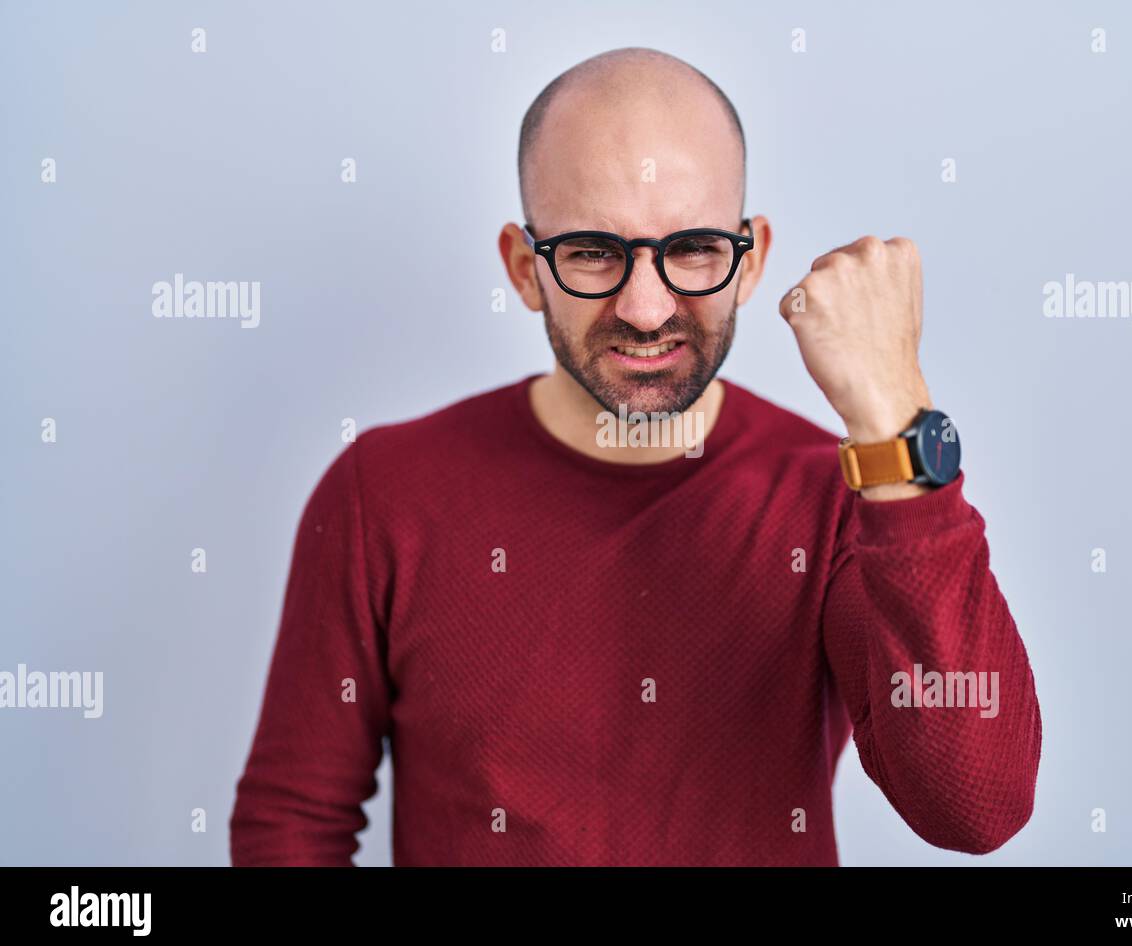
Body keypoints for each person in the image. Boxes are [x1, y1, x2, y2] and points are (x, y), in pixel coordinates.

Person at [230, 46, 1042, 866]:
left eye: (691, 248)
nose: (646, 308)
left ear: (750, 260)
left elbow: (978, 806)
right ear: (524, 268)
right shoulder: (384, 493)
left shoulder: (843, 493)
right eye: (591, 251)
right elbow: (291, 823)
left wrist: (897, 419)